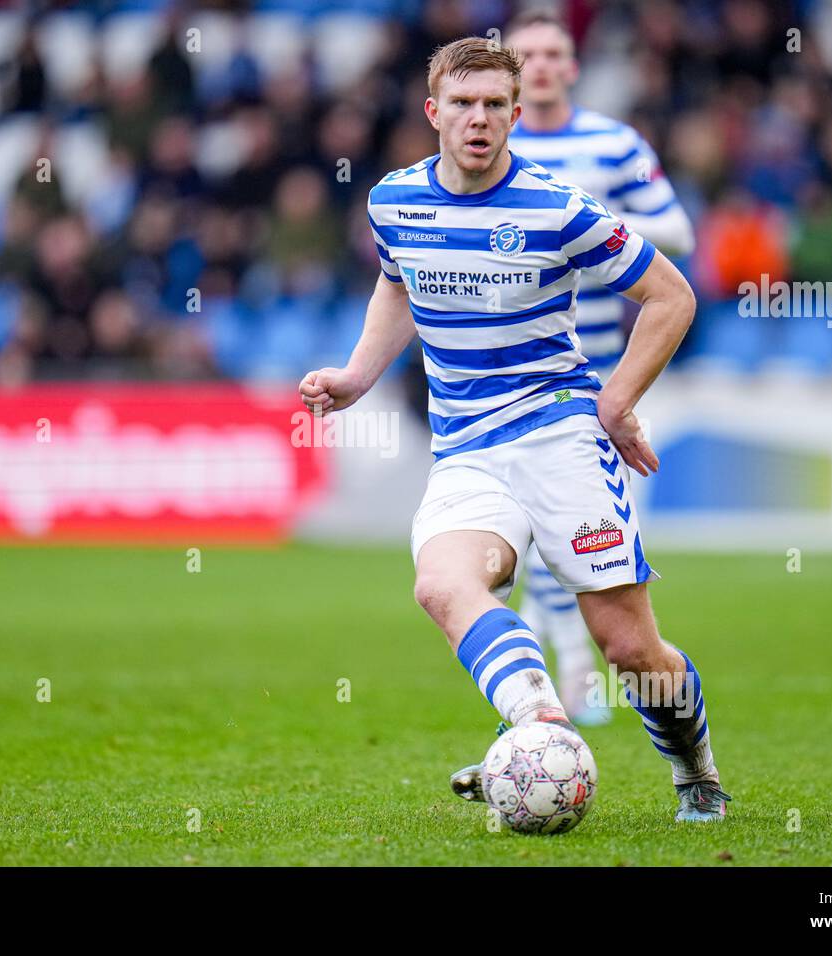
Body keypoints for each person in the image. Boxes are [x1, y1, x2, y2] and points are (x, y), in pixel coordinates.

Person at [298, 38, 729, 822]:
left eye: (495, 105)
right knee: (442, 584)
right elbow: (399, 287)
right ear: (433, 113)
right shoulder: (395, 202)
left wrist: (613, 404)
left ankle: (695, 765)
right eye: (462, 104)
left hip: (561, 439)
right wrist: (357, 376)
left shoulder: (558, 208)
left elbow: (672, 297)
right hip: (466, 450)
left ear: (514, 116)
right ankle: (542, 723)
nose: (479, 119)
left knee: (630, 651)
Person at [506, 11, 697, 725]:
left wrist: (593, 225)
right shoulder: (494, 145)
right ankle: (573, 664)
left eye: (554, 52)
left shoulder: (615, 144)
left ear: (573, 64)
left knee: (581, 529)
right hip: (515, 362)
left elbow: (676, 229)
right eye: (527, 55)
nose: (543, 65)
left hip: (597, 365)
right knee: (528, 530)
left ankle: (579, 662)